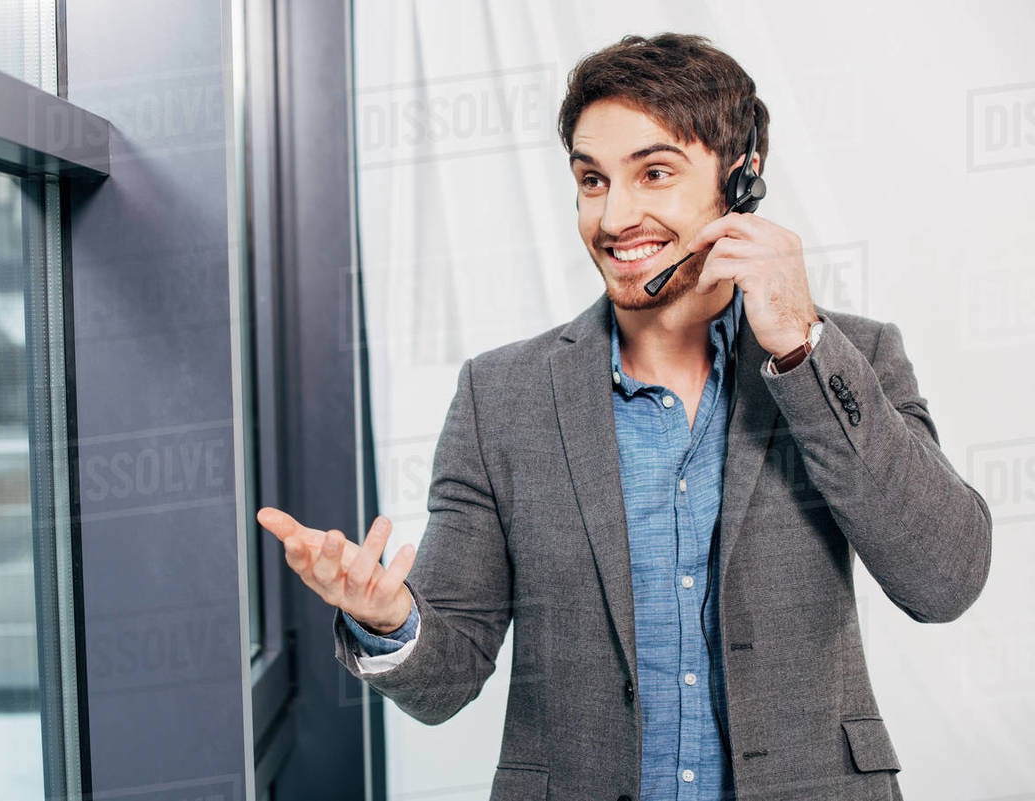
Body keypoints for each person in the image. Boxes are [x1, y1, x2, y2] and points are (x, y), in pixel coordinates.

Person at [256, 33, 991, 801]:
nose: (615, 217)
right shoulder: (499, 396)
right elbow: (447, 679)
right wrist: (391, 618)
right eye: (592, 180)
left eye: (655, 173)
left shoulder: (849, 359)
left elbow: (943, 580)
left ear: (743, 180)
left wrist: (801, 348)